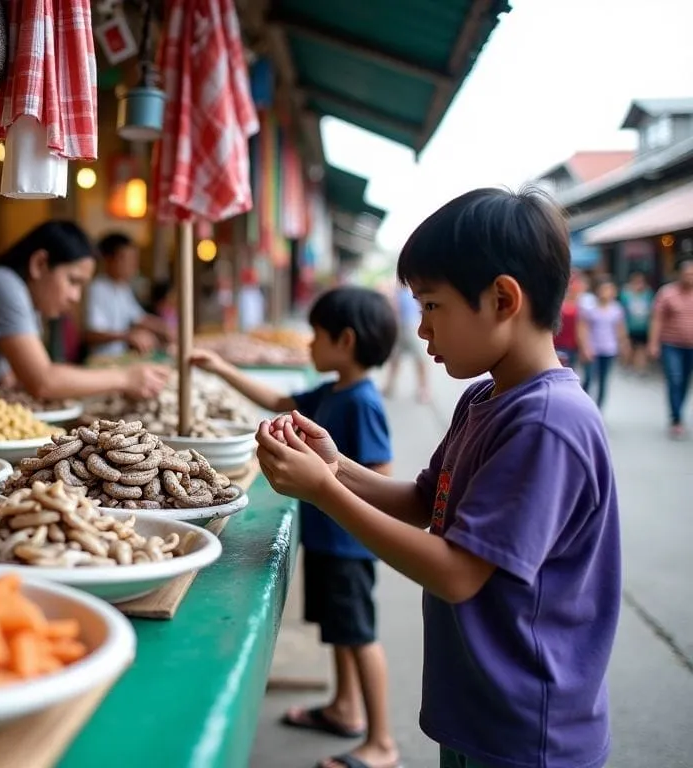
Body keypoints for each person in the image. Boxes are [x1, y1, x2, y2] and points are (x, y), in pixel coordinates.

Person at [255, 188, 620, 768]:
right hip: (478, 705)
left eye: (432, 306)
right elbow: (428, 500)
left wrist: (323, 492)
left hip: (528, 727)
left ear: (503, 299)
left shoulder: (546, 424)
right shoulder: (485, 396)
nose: (420, 330)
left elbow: (458, 573)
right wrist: (337, 466)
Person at [190, 286, 401, 768]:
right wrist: (222, 369)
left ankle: (382, 743)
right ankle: (346, 708)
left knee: (359, 635)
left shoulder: (361, 402)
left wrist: (327, 483)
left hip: (350, 543)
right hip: (330, 539)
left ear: (344, 341)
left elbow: (382, 475)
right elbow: (277, 397)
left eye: (316, 335)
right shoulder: (331, 391)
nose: (308, 345)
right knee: (339, 632)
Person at [0, 220, 171, 401]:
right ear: (39, 264)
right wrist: (125, 377)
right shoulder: (4, 286)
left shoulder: (23, 297)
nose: (75, 297)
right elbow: (44, 382)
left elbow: (21, 376)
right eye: (73, 281)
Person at [82, 232, 168, 358]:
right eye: (126, 259)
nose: (133, 266)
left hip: (119, 357)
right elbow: (91, 334)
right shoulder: (97, 289)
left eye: (134, 260)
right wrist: (128, 336)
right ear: (109, 259)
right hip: (100, 360)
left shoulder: (123, 288)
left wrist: (165, 329)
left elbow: (140, 318)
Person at [647, 258, 693, 438]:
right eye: (687, 274)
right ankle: (676, 418)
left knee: (685, 381)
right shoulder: (667, 293)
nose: (690, 277)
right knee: (675, 378)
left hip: (690, 346)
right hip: (671, 344)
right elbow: (656, 319)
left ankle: (678, 411)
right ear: (679, 274)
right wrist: (653, 343)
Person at [577, 276, 627, 410]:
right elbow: (582, 329)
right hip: (593, 350)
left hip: (609, 349)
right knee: (588, 379)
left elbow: (620, 330)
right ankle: (582, 407)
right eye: (604, 289)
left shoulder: (617, 309)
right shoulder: (590, 308)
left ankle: (598, 410)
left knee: (603, 381)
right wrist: (585, 348)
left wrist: (623, 346)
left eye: (610, 289)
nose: (606, 292)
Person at [382, 282, 430, 403]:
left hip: (411, 327)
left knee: (420, 360)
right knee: (396, 359)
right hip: (401, 327)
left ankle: (423, 389)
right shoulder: (398, 291)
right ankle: (390, 387)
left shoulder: (414, 290)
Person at [619, 270, 653, 372]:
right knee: (628, 347)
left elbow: (652, 309)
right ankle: (627, 366)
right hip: (629, 326)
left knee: (641, 348)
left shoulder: (648, 293)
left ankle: (639, 369)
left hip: (643, 327)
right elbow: (622, 309)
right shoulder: (626, 293)